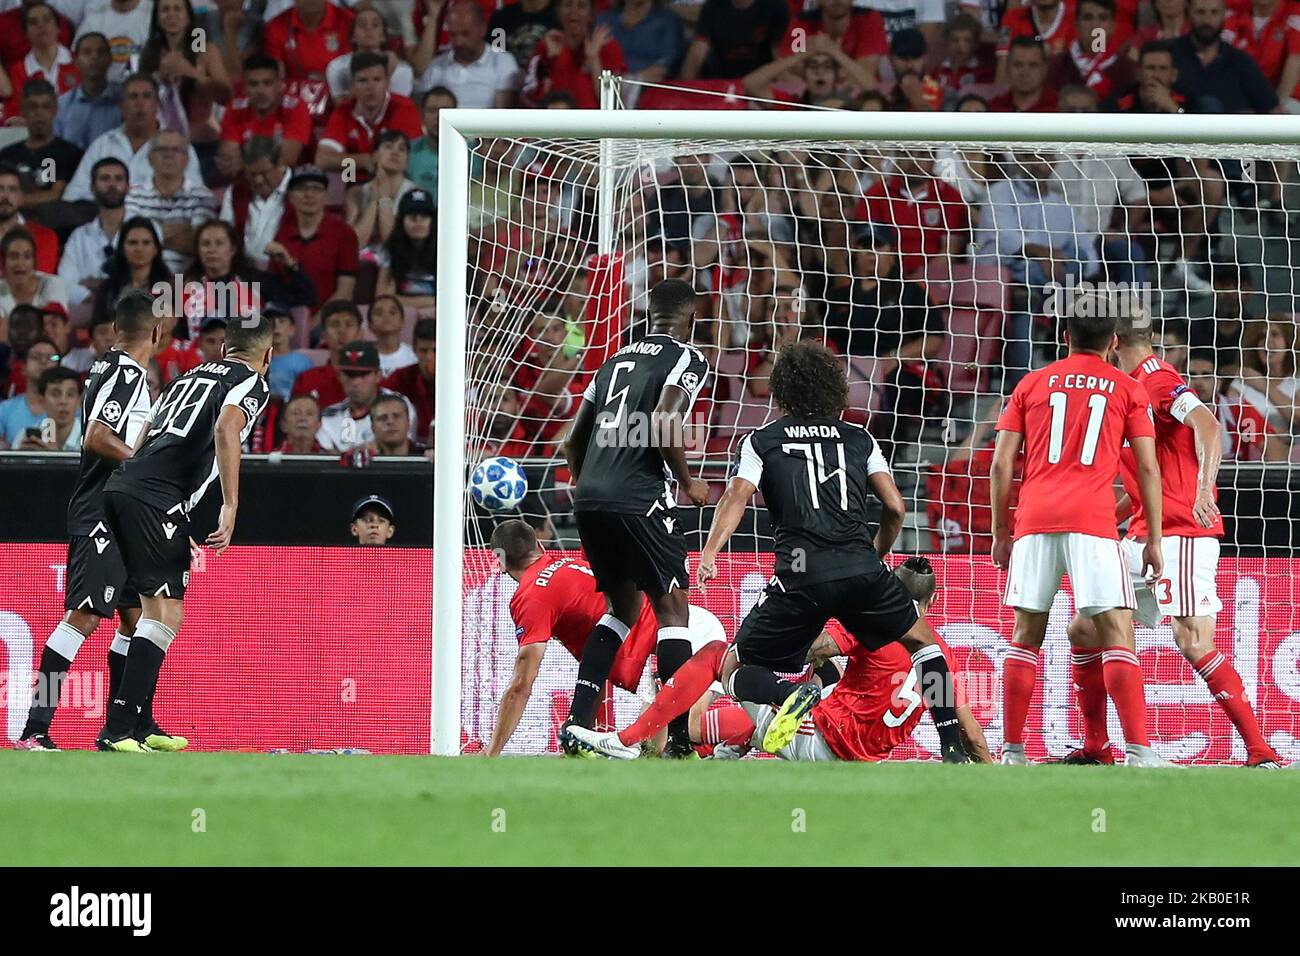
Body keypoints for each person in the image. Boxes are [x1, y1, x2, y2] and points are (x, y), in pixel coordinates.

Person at [679, 340, 970, 761]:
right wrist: (875, 556)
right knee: (925, 646)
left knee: (733, 669)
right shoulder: (859, 438)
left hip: (799, 575)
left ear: (782, 391)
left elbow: (736, 497)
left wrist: (709, 553)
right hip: (860, 568)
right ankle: (951, 746)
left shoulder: (761, 440)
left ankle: (789, 694)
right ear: (834, 388)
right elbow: (895, 507)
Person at [1062, 305, 1282, 768]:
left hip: (1181, 533)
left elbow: (1209, 425)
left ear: (1114, 343)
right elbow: (1149, 481)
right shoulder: (1129, 387)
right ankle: (1097, 748)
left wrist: (1203, 490)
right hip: (1144, 535)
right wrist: (1108, 518)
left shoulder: (1159, 381)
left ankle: (1260, 751)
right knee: (1083, 628)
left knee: (1194, 640)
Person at [568, 557, 993, 762]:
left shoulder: (874, 625)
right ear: (933, 601)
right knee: (809, 686)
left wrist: (792, 629)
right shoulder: (942, 658)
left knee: (718, 661)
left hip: (823, 738)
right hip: (864, 758)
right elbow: (971, 734)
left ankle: (628, 740)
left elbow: (817, 648)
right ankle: (734, 747)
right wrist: (992, 773)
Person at [990, 296, 1172, 768]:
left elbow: (1001, 464)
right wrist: (1153, 539)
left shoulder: (1031, 383)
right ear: (1113, 342)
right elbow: (1148, 468)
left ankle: (1012, 752)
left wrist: (1001, 532)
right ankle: (1139, 753)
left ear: (1065, 336)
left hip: (1035, 518)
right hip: (1093, 521)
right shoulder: (1128, 389)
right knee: (1115, 630)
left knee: (1025, 633)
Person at [95, 312, 272, 752]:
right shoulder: (252, 382)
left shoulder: (185, 377)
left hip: (124, 487)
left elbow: (145, 433)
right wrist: (230, 505)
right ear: (267, 355)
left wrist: (165, 510)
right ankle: (118, 729)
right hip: (156, 497)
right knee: (166, 615)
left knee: (139, 614)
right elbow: (227, 428)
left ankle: (142, 726)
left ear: (224, 347)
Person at [558, 278, 710, 757]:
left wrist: (591, 485)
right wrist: (687, 482)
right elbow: (665, 419)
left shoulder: (612, 362)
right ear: (692, 319)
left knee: (620, 611)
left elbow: (572, 441)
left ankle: (576, 726)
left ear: (649, 316)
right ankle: (680, 741)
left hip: (590, 498)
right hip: (640, 496)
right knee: (673, 611)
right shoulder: (687, 357)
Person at [16, 290, 164, 750]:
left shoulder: (107, 366)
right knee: (81, 618)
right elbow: (97, 436)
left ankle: (129, 727)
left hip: (122, 511)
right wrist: (143, 467)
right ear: (157, 333)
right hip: (102, 510)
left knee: (136, 618)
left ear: (117, 328)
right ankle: (34, 729)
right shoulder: (126, 373)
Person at [487, 517, 721, 757]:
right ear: (539, 546)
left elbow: (521, 685)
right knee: (652, 750)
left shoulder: (531, 597)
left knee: (690, 728)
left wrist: (491, 753)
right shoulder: (567, 565)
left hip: (689, 635)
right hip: (677, 635)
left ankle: (739, 739)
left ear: (500, 562)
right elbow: (595, 672)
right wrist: (581, 732)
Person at [64, 73, 205, 206]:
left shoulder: (179, 147)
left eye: (146, 96)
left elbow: (196, 199)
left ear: (157, 105)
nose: (139, 103)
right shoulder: (103, 145)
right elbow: (74, 195)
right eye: (133, 97)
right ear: (121, 106)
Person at [316, 52, 422, 180]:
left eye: (377, 80)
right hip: (355, 185)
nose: (370, 87)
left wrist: (350, 161)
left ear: (387, 83)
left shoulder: (403, 107)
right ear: (352, 86)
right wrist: (364, 160)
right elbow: (322, 160)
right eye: (362, 80)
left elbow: (407, 158)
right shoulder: (343, 111)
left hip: (395, 184)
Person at [123, 128, 216, 273]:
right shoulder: (133, 194)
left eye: (175, 150)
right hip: (143, 275)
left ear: (186, 160)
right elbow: (131, 239)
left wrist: (150, 235)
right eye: (162, 150)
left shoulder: (202, 196)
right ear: (150, 158)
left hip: (187, 277)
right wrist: (183, 228)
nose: (169, 155)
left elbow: (199, 244)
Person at [274, 165, 359, 314]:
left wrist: (312, 324)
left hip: (329, 319)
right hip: (286, 319)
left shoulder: (345, 234)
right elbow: (274, 286)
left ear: (326, 196)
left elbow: (344, 293)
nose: (309, 194)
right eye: (301, 188)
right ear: (291, 197)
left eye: (316, 188)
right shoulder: (281, 234)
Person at [216, 53, 312, 179]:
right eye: (253, 84)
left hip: (294, 180)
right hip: (249, 180)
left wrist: (243, 161)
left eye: (268, 83)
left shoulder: (295, 107)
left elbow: (288, 158)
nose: (260, 91)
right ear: (244, 87)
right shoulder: (235, 108)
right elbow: (228, 160)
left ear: (279, 85)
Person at [0, 78, 84, 218]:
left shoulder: (70, 153)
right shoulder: (7, 154)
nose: (39, 113)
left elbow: (57, 194)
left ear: (55, 110)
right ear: (22, 110)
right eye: (33, 106)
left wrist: (14, 199)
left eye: (46, 107)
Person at [412, 0, 520, 107]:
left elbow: (503, 114)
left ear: (482, 29)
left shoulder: (502, 61)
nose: (458, 42)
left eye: (465, 34)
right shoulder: (435, 67)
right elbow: (425, 112)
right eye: (453, 35)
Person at [522, 0, 627, 108]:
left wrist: (594, 59)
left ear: (591, 14)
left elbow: (612, 104)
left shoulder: (608, 47)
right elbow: (529, 99)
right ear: (558, 12)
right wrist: (550, 60)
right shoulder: (546, 45)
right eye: (567, 5)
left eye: (581, 6)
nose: (573, 11)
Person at [314, 340, 416, 451]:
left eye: (363, 374)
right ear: (339, 377)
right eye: (350, 375)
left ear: (378, 376)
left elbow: (401, 447)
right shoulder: (328, 416)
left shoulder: (399, 406)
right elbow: (326, 457)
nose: (356, 382)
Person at [57, 157, 128, 306]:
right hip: (87, 310)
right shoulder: (79, 237)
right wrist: (94, 299)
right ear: (92, 188)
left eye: (118, 179)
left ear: (128, 187)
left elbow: (153, 280)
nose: (112, 185)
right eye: (105, 179)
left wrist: (99, 285)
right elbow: (64, 284)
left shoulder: (146, 229)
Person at [218, 136, 292, 270]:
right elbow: (224, 235)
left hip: (285, 271)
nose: (258, 180)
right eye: (251, 174)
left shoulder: (299, 190)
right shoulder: (236, 191)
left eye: (264, 173)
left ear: (280, 164)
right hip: (243, 271)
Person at [346, 130, 416, 255]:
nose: (395, 152)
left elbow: (392, 244)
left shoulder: (415, 194)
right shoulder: (355, 193)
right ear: (374, 155)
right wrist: (374, 201)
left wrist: (384, 196)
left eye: (402, 149)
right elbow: (353, 244)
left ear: (407, 161)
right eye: (388, 146)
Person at [680, 0, 788, 80]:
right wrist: (683, 93)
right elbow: (696, 55)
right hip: (722, 81)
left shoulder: (776, 7)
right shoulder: (712, 6)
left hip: (760, 83)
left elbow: (779, 56)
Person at [326, 6, 415, 102]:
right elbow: (342, 107)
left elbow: (396, 108)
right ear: (353, 37)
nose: (368, 28)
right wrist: (387, 71)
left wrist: (387, 71)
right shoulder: (337, 67)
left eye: (375, 25)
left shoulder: (403, 71)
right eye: (362, 25)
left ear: (383, 36)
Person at [55, 32, 122, 151]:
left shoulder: (124, 100)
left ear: (110, 59)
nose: (94, 57)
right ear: (75, 61)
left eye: (101, 52)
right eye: (87, 52)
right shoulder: (62, 105)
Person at [292, 299, 363, 406]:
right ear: (323, 335)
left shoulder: (371, 379)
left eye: (349, 325)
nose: (341, 331)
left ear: (360, 334)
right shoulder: (307, 379)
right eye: (334, 325)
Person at [374, 188, 435, 310]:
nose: (418, 221)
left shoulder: (446, 252)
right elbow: (382, 298)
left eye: (424, 216)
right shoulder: (391, 249)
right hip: (401, 314)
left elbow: (451, 298)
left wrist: (400, 300)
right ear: (401, 221)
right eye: (412, 216)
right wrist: (432, 301)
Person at [381, 316, 434, 441]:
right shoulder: (400, 378)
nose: (429, 357)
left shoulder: (460, 380)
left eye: (435, 350)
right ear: (414, 350)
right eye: (423, 350)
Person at [0, 165, 60, 274]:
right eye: (0, 189)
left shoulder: (45, 237)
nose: (5, 196)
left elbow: (37, 279)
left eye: (12, 189)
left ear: (22, 196)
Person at [75, 0, 152, 84]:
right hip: (101, 88)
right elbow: (76, 60)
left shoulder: (152, 14)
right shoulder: (94, 16)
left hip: (142, 86)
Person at [0, 335, 58, 443]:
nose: (43, 361)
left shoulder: (70, 411)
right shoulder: (4, 410)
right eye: (36, 357)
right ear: (23, 368)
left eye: (51, 358)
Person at [0, 227, 67, 311]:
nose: (20, 263)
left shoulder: (52, 284)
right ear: (3, 262)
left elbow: (54, 318)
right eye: (13, 256)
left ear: (34, 261)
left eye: (27, 256)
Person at [18, 364, 82, 450]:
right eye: (55, 394)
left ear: (78, 401)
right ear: (42, 400)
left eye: (70, 394)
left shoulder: (90, 438)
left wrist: (53, 455)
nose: (63, 401)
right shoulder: (25, 436)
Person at [406, 87, 453, 198]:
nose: (438, 117)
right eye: (432, 111)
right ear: (422, 115)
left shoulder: (472, 153)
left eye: (445, 111)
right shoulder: (407, 151)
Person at [367, 293, 417, 376]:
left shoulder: (414, 356)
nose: (386, 317)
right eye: (379, 313)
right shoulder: (364, 356)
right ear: (370, 325)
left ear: (402, 322)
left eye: (392, 313)